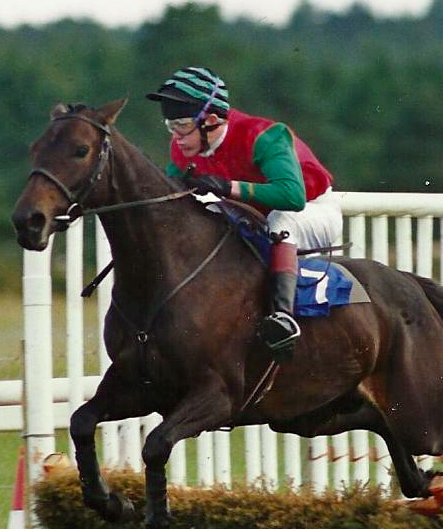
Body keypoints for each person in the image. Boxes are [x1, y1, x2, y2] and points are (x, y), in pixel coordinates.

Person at [147, 66, 343, 359]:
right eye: (170, 126)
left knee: (281, 219)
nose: (177, 137)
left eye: (182, 125)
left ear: (211, 121)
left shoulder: (264, 136)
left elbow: (292, 196)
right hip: (254, 216)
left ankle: (283, 318)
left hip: (310, 212)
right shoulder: (184, 147)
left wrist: (228, 187)